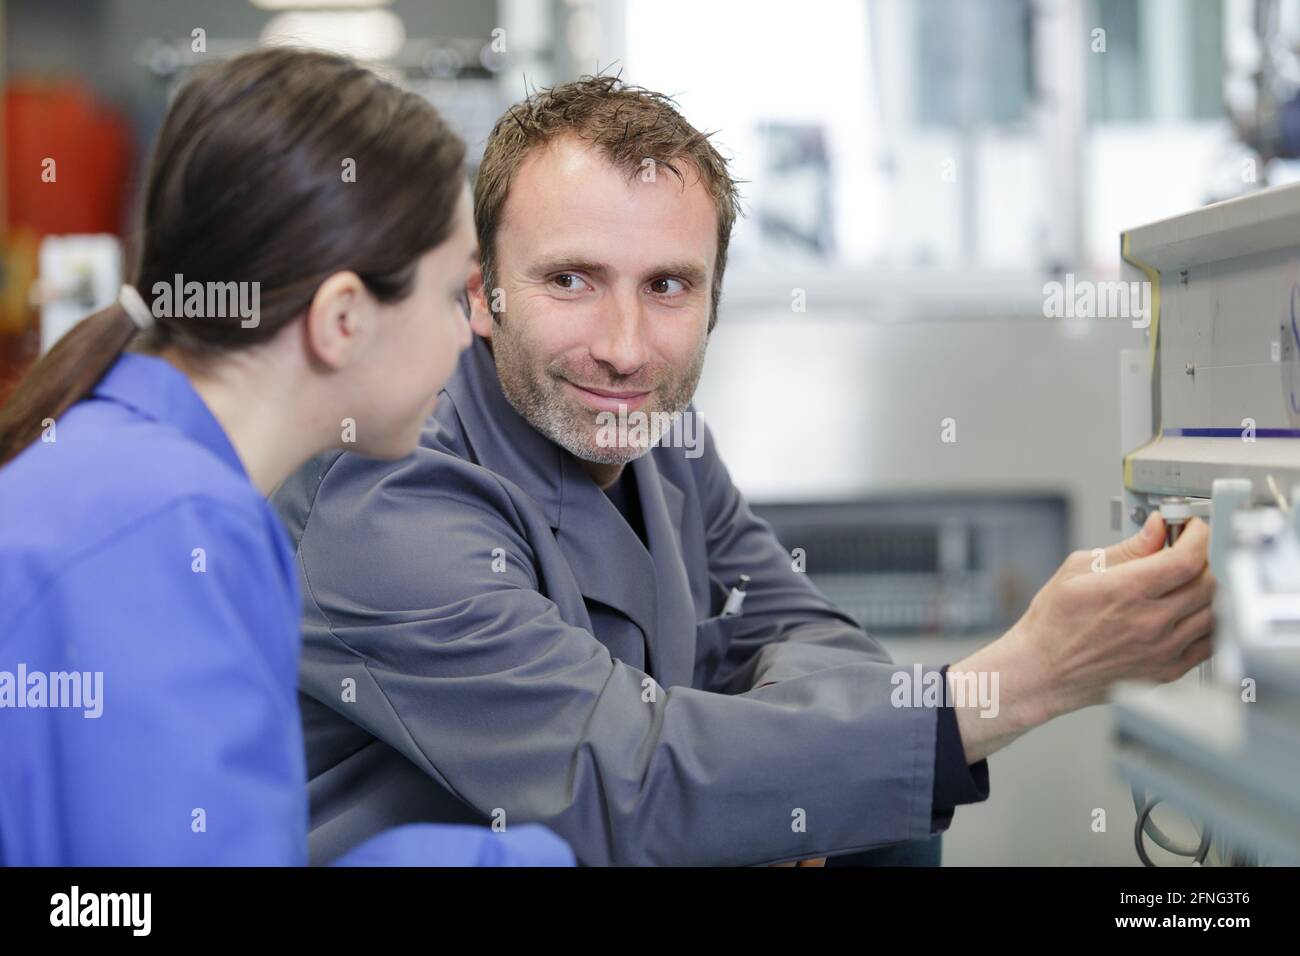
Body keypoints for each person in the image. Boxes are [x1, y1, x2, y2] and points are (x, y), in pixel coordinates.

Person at [270, 76, 1215, 867]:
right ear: (483, 296)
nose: (625, 348)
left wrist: (787, 790)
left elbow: (806, 632)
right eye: (571, 280)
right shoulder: (393, 484)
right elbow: (617, 778)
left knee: (875, 823)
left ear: (716, 298)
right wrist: (1026, 677)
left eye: (668, 286)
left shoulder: (663, 447)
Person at [0, 47, 571, 867]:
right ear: (343, 318)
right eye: (454, 293)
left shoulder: (143, 476)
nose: (469, 329)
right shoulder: (172, 527)